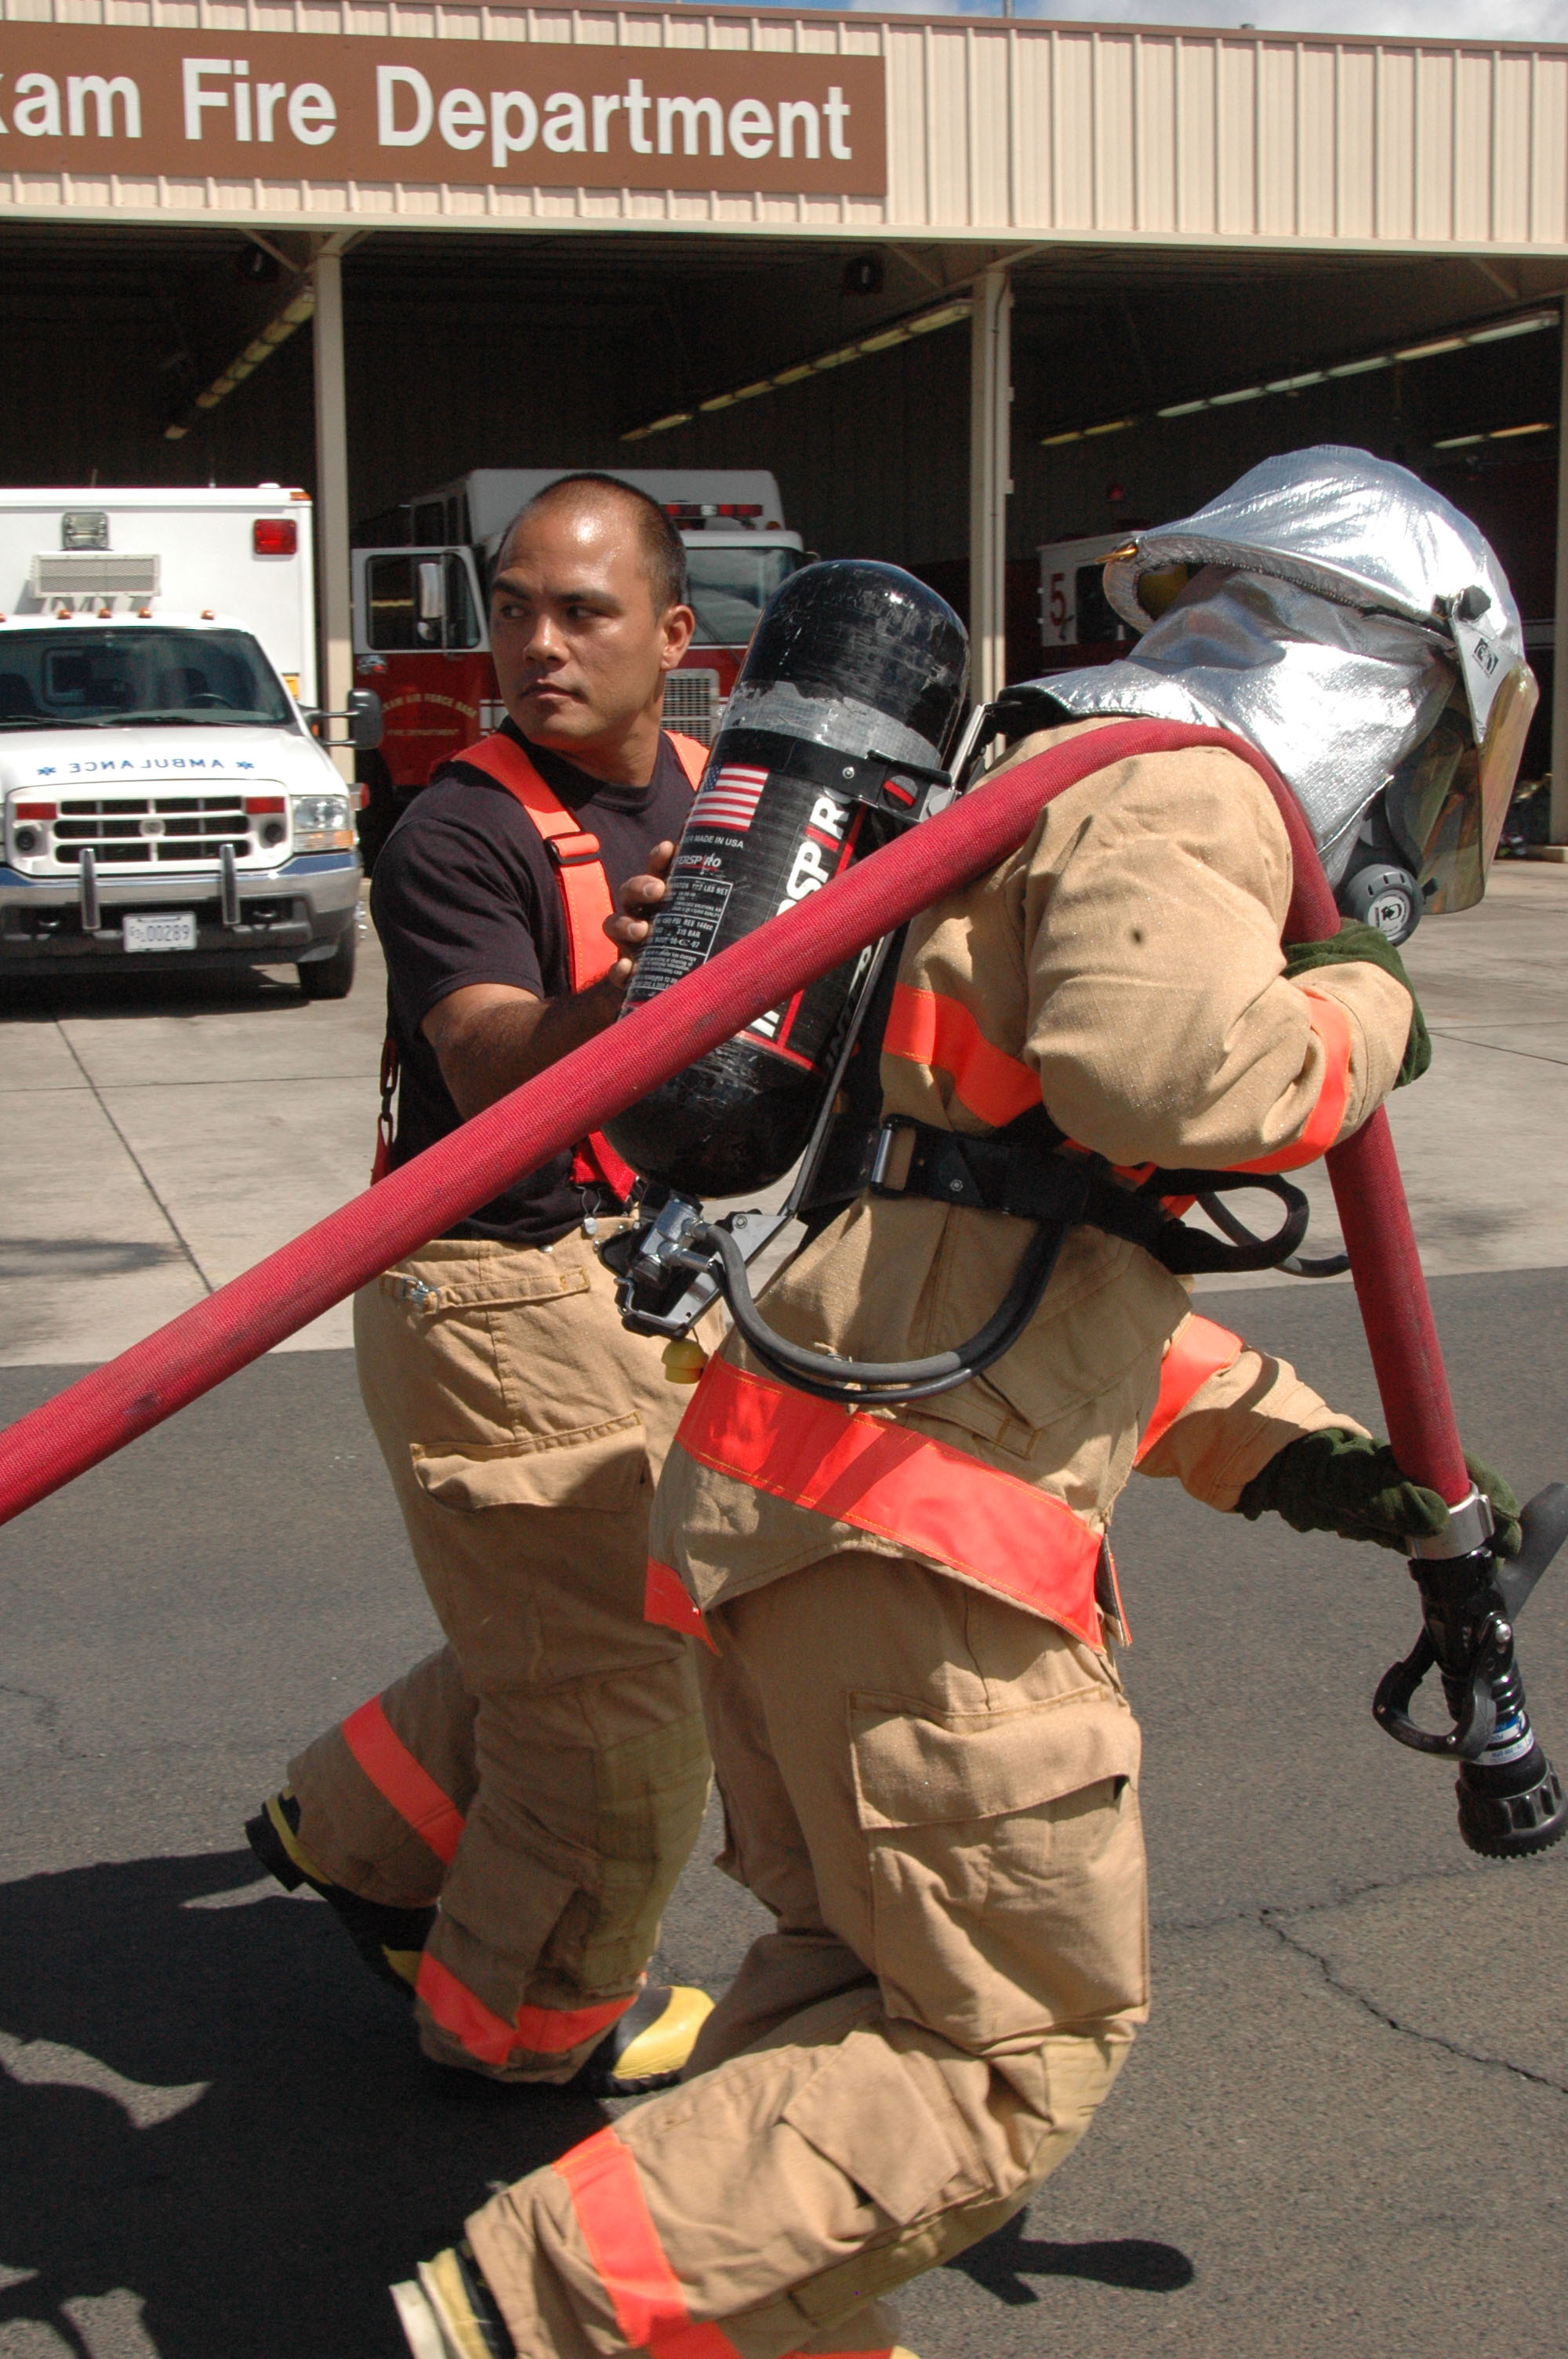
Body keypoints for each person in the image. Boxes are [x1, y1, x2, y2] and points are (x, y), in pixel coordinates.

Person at [393, 449, 1530, 2357]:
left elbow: (1023, 1264)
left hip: (799, 1509)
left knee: (856, 1993)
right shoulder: (1186, 792)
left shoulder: (1032, 799)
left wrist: (1327, 1465)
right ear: (1384, 682)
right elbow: (1163, 1080)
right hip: (919, 1571)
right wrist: (1364, 1012)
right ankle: (515, 2315)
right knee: (1007, 2049)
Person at [247, 473, 721, 2095]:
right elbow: (493, 1060)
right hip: (490, 1296)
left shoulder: (716, 801)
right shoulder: (453, 828)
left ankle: (356, 1825)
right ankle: (520, 2024)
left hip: (644, 1271)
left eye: (580, 611)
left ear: (674, 633)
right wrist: (634, 988)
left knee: (585, 1629)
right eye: (511, 605)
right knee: (615, 1704)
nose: (533, 641)